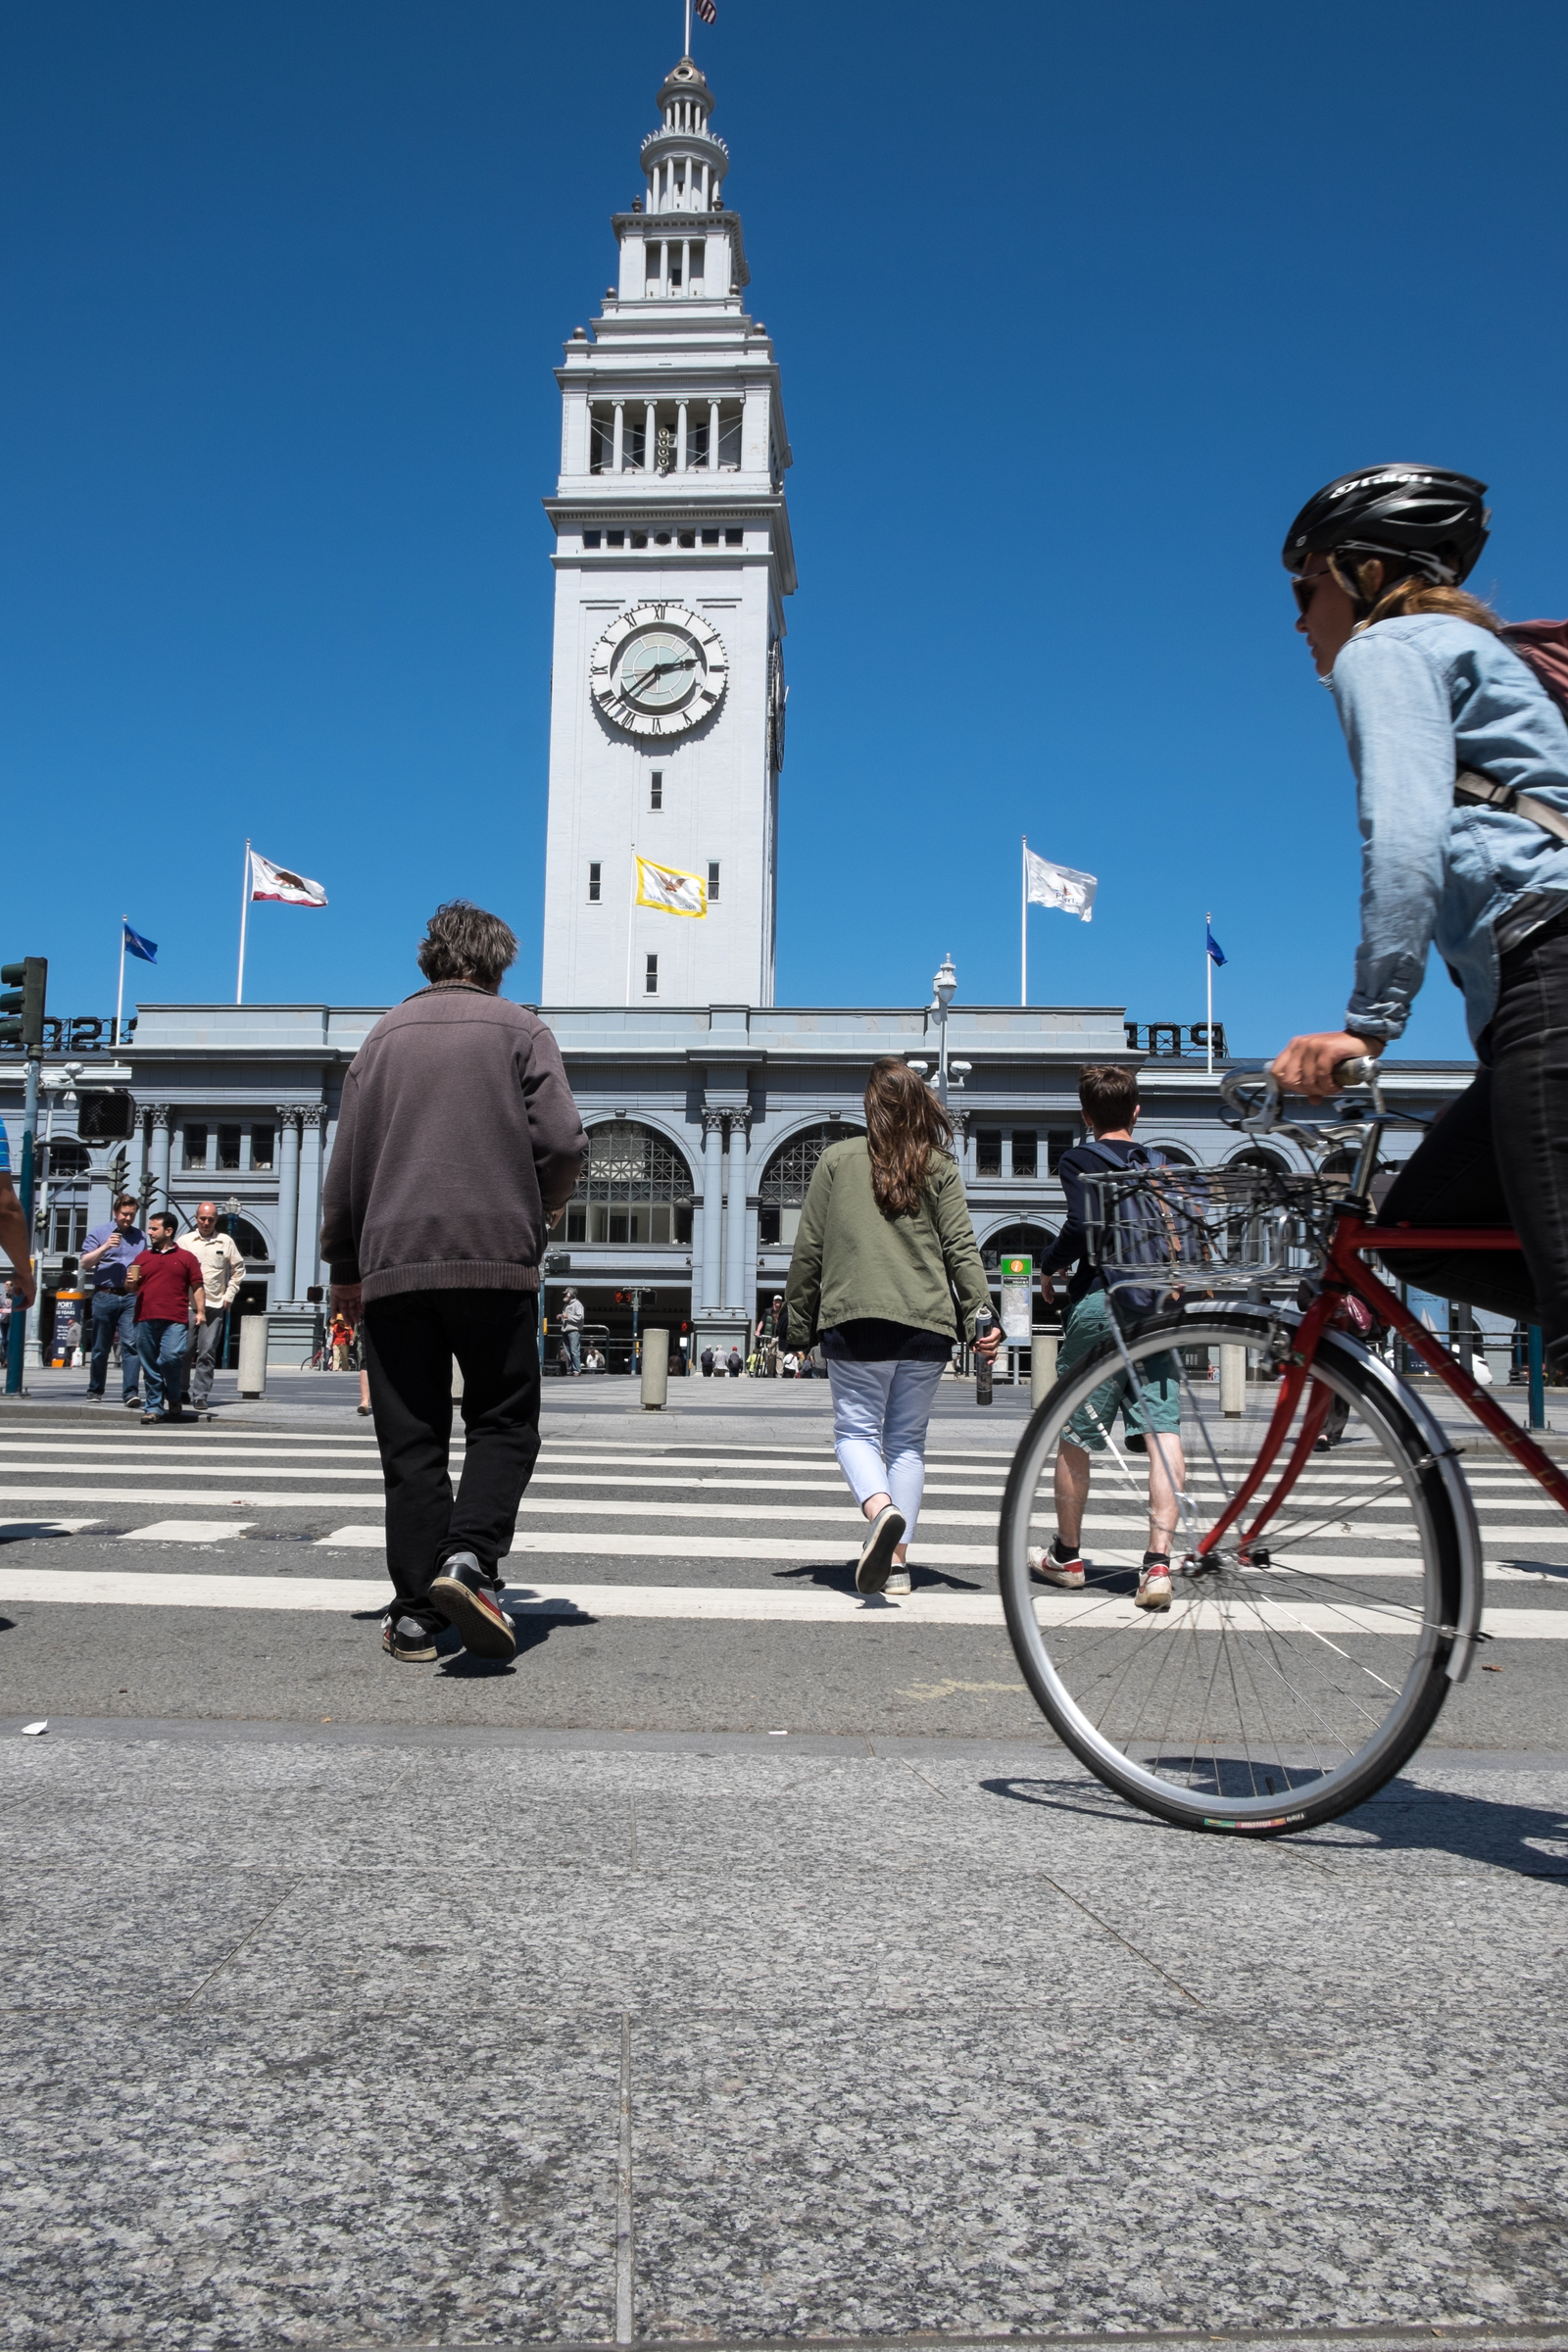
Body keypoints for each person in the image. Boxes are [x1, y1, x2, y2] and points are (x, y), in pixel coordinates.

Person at [1271, 465, 1568, 1368]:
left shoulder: (1391, 650)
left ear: (1361, 572)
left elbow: (1403, 840)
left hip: (1550, 964)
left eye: (1305, 585)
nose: (1297, 616)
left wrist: (1370, 1025)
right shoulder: (1473, 655)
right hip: (1534, 981)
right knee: (1418, 1227)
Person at [320, 900, 587, 1666]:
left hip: (394, 1264)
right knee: (504, 1419)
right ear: (498, 963)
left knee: (411, 1438)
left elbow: (344, 1171)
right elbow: (565, 1140)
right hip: (494, 1256)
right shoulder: (521, 1030)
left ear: (428, 959)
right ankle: (468, 1560)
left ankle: (411, 1617)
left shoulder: (380, 1039)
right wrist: (549, 1202)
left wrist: (345, 1270)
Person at [785, 1057, 1001, 1596]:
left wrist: (797, 1325)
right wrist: (980, 1315)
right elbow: (961, 1249)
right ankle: (899, 1565)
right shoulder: (940, 1167)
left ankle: (879, 1511)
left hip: (855, 1318)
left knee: (855, 1433)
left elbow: (808, 1249)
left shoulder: (835, 1161)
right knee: (906, 1443)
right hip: (926, 1323)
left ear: (870, 1106)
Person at [1029, 1065, 1184, 1607]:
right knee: (1163, 1434)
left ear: (1086, 1116)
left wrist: (1049, 1267)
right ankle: (1158, 1565)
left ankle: (1067, 1555)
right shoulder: (1159, 1164)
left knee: (1076, 1435)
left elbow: (1082, 1221)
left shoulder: (1080, 1158)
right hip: (1157, 1308)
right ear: (1137, 1112)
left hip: (1101, 1301)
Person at [125, 1211, 206, 1423]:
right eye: (150, 1228)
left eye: (154, 1228)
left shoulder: (187, 1258)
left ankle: (174, 1396)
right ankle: (153, 1408)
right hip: (144, 1318)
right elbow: (130, 1288)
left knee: (170, 1358)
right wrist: (130, 1282)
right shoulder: (142, 1258)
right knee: (150, 1366)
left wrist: (201, 1311)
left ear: (168, 1231)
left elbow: (197, 1286)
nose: (149, 1232)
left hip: (175, 1319)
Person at [178, 1200, 245, 1410]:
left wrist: (230, 1294)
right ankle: (181, 1390)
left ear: (216, 1220)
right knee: (184, 1350)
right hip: (188, 1306)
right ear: (196, 1218)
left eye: (211, 1219)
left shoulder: (225, 1242)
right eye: (203, 1218)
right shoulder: (184, 1242)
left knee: (207, 1352)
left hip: (214, 1305)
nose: (206, 1222)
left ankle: (200, 1395)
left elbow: (238, 1270)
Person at [81, 1193, 146, 1405]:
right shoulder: (99, 1233)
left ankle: (130, 1393)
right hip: (104, 1295)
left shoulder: (141, 1237)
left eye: (131, 1215)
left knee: (131, 1345)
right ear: (115, 1212)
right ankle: (95, 1390)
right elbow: (85, 1263)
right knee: (101, 1347)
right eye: (124, 1214)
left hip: (130, 1297)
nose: (127, 1219)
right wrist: (106, 1246)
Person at [558, 1287, 585, 1375]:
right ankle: (571, 1368)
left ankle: (577, 1369)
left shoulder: (577, 1304)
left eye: (566, 1294)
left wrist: (567, 1317)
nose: (564, 1295)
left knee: (574, 1350)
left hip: (574, 1330)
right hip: (565, 1329)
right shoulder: (566, 1305)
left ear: (570, 1295)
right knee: (567, 1351)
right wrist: (561, 1317)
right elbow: (565, 1316)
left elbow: (580, 1317)